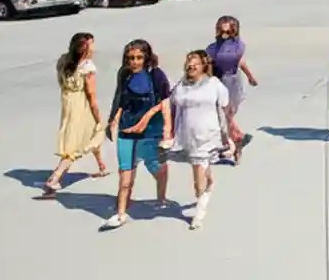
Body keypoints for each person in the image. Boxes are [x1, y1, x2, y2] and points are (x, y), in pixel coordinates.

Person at [103, 39, 172, 230]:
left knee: (156, 167)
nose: (134, 62)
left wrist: (167, 130)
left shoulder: (156, 75)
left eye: (139, 58)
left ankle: (161, 197)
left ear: (146, 58)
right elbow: (120, 98)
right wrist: (112, 120)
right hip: (127, 129)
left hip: (151, 131)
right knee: (125, 171)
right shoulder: (124, 74)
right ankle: (121, 213)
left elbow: (165, 102)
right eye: (131, 58)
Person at [167, 50, 228, 230]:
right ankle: (209, 184)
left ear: (203, 66)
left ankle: (199, 211)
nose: (191, 66)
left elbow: (224, 106)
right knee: (201, 166)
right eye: (189, 63)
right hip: (187, 134)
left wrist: (228, 131)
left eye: (195, 63)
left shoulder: (214, 84)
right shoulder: (181, 86)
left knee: (197, 175)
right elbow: (173, 104)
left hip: (208, 133)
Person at [42, 32, 108, 196]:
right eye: (91, 45)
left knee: (91, 132)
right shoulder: (87, 66)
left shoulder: (63, 61)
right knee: (76, 143)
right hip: (81, 105)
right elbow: (91, 95)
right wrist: (98, 116)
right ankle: (54, 178)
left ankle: (101, 165)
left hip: (67, 101)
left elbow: (61, 82)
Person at [206, 16, 257, 165]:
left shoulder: (238, 46)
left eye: (227, 30)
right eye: (221, 29)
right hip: (220, 81)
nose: (223, 33)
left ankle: (235, 140)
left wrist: (250, 77)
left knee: (228, 113)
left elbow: (240, 62)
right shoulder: (213, 48)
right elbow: (208, 67)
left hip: (233, 81)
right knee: (224, 114)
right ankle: (237, 140)